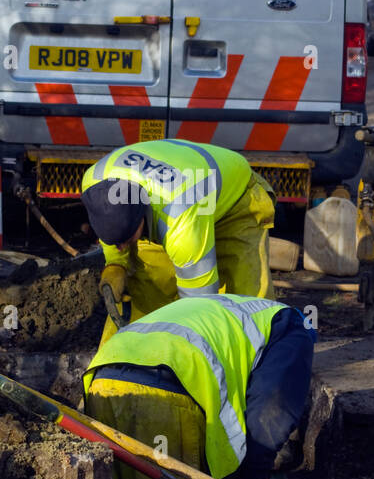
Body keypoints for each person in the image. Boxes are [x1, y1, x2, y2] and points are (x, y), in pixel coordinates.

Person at [82, 294, 315, 479]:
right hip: (165, 392)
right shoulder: (295, 331)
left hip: (101, 385)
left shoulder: (234, 313)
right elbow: (270, 413)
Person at [80, 139, 276, 340]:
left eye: (126, 239)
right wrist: (116, 263)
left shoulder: (179, 219)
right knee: (148, 295)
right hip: (189, 193)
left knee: (244, 300)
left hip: (236, 202)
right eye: (114, 242)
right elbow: (114, 226)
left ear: (141, 216)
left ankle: (260, 358)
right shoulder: (94, 182)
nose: (121, 248)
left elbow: (199, 305)